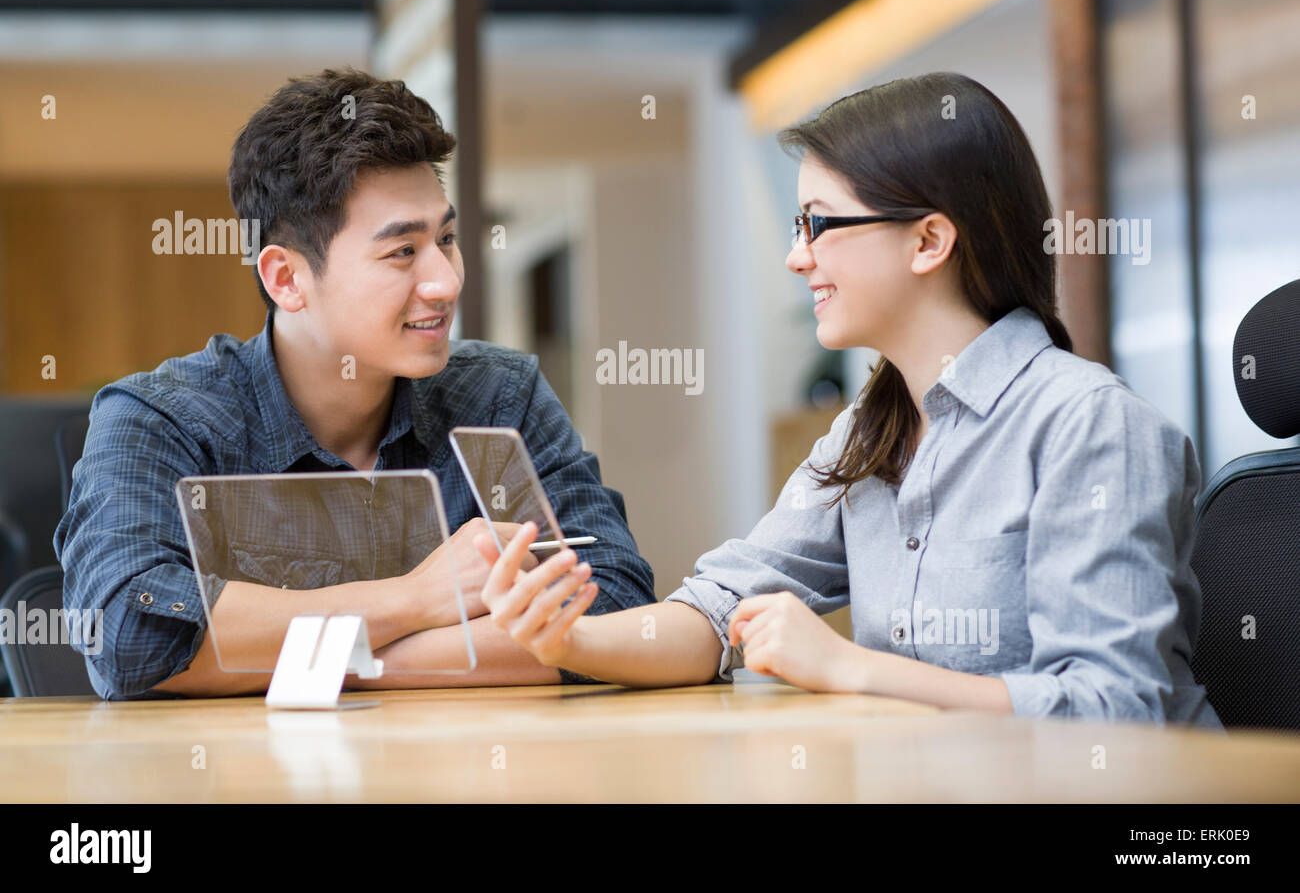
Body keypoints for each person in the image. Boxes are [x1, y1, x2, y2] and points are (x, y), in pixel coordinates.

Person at [476, 71, 1222, 726]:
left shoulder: (1092, 426)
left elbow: (1116, 709)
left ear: (929, 241)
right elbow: (716, 607)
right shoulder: (870, 431)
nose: (797, 256)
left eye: (820, 224)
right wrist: (568, 639)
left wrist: (849, 668)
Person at [55, 68, 655, 700]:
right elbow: (128, 634)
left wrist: (359, 656)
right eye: (402, 252)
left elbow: (615, 608)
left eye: (445, 239)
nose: (446, 283)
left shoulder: (498, 398)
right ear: (286, 279)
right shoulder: (160, 419)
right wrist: (417, 598)